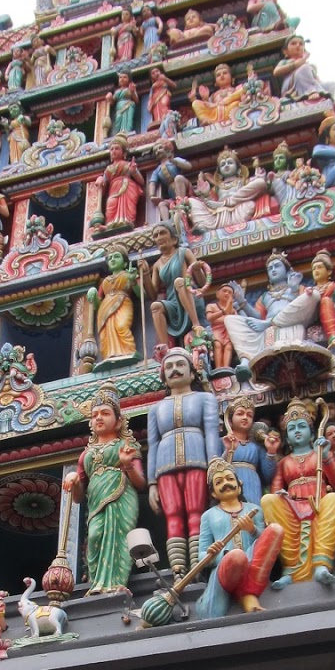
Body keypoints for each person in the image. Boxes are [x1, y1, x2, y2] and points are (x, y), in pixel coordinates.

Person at [146, 349, 223, 576]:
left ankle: (199, 564)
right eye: (168, 367)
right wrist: (151, 483)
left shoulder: (205, 399)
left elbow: (211, 433)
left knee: (196, 511)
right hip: (164, 467)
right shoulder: (156, 409)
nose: (175, 370)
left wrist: (214, 467)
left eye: (180, 365)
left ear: (192, 373)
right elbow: (152, 443)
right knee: (173, 514)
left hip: (198, 461)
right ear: (164, 377)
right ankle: (178, 567)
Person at [63, 388, 146, 593]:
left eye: (105, 413)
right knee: (95, 536)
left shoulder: (126, 446)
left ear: (118, 421)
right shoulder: (86, 455)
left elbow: (141, 483)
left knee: (119, 537)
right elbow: (79, 497)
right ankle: (97, 585)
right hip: (95, 502)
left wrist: (127, 465)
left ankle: (117, 583)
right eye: (95, 415)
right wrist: (74, 481)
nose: (99, 417)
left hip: (121, 498)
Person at [261, 399, 335, 587]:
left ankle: (321, 565)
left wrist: (325, 456)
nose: (297, 431)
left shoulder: (320, 454)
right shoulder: (284, 462)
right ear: (287, 438)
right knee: (268, 501)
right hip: (293, 507)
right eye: (291, 428)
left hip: (318, 503)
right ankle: (291, 569)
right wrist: (280, 495)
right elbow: (275, 490)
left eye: (301, 426)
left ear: (311, 432)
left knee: (333, 498)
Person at [195, 461, 284, 619]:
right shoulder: (208, 516)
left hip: (253, 566)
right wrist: (213, 553)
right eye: (219, 482)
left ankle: (247, 593)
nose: (226, 484)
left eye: (229, 479)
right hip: (228, 567)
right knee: (236, 556)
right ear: (213, 493)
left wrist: (252, 529)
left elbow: (264, 542)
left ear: (239, 485)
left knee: (275, 530)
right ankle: (247, 596)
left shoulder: (253, 509)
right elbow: (201, 556)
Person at [137, 222, 212, 349]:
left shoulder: (184, 252)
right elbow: (152, 294)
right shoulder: (157, 265)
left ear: (174, 239)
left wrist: (198, 269)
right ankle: (164, 347)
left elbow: (202, 283)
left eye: (162, 233)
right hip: (173, 303)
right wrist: (145, 273)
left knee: (179, 281)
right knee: (155, 306)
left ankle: (196, 324)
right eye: (155, 235)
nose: (158, 237)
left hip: (189, 296)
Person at [221, 393, 277, 504]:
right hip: (230, 483)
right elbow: (214, 468)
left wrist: (271, 451)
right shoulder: (222, 442)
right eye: (240, 414)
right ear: (230, 420)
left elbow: (268, 476)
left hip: (253, 486)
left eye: (249, 415)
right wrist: (228, 450)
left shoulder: (256, 447)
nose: (245, 417)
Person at [93, 251, 140, 365]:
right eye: (110, 258)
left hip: (123, 302)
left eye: (116, 256)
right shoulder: (105, 281)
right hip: (105, 307)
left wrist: (133, 280)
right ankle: (109, 355)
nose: (112, 259)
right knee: (106, 331)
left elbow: (141, 294)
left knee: (121, 326)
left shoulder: (128, 274)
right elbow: (97, 304)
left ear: (124, 263)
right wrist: (93, 296)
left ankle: (128, 352)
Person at [272, 33, 335, 104]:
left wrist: (322, 87)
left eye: (301, 44)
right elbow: (276, 72)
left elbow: (316, 79)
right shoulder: (286, 61)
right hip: (292, 85)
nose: (298, 45)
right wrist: (297, 64)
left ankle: (330, 100)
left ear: (304, 50)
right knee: (304, 68)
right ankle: (310, 92)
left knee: (332, 84)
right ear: (285, 51)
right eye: (293, 43)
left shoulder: (308, 65)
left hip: (312, 85)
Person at [98, 139, 144, 228]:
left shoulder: (128, 165)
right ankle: (110, 225)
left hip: (127, 187)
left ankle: (127, 222)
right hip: (113, 190)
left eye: (117, 149)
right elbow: (103, 188)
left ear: (124, 153)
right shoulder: (108, 169)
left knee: (127, 206)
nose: (114, 151)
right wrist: (100, 182)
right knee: (111, 203)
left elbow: (141, 181)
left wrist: (134, 172)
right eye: (112, 149)